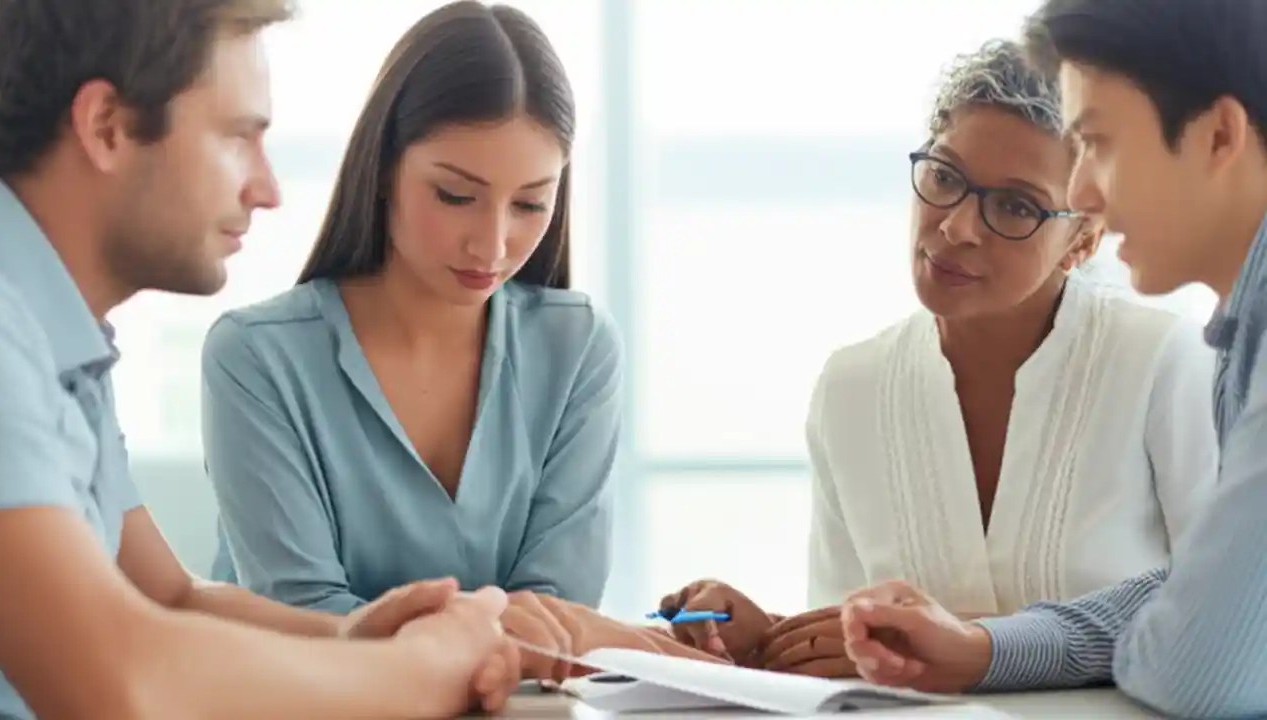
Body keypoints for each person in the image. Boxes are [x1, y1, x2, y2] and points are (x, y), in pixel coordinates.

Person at [0, 1, 520, 717]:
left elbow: (168, 597)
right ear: (107, 127)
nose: (267, 190)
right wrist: (426, 668)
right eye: (239, 137)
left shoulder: (56, 335)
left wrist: (351, 639)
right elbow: (121, 679)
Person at [660, 38, 1217, 681]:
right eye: (945, 177)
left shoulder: (1163, 363)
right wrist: (767, 638)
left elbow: (1225, 618)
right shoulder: (851, 387)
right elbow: (853, 652)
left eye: (1014, 206)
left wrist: (973, 644)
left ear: (1083, 239)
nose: (956, 227)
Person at [199, 0, 715, 681]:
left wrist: (541, 636)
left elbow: (559, 617)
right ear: (383, 168)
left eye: (530, 203)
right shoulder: (255, 357)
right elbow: (307, 618)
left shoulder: (578, 348)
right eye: (455, 196)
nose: (492, 245)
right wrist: (517, 634)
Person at [836, 1, 1267, 717]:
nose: (1086, 193)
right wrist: (991, 647)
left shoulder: (1181, 353)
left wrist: (1172, 627)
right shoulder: (1241, 334)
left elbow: (1203, 667)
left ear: (1218, 136)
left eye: (1098, 142)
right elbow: (1197, 591)